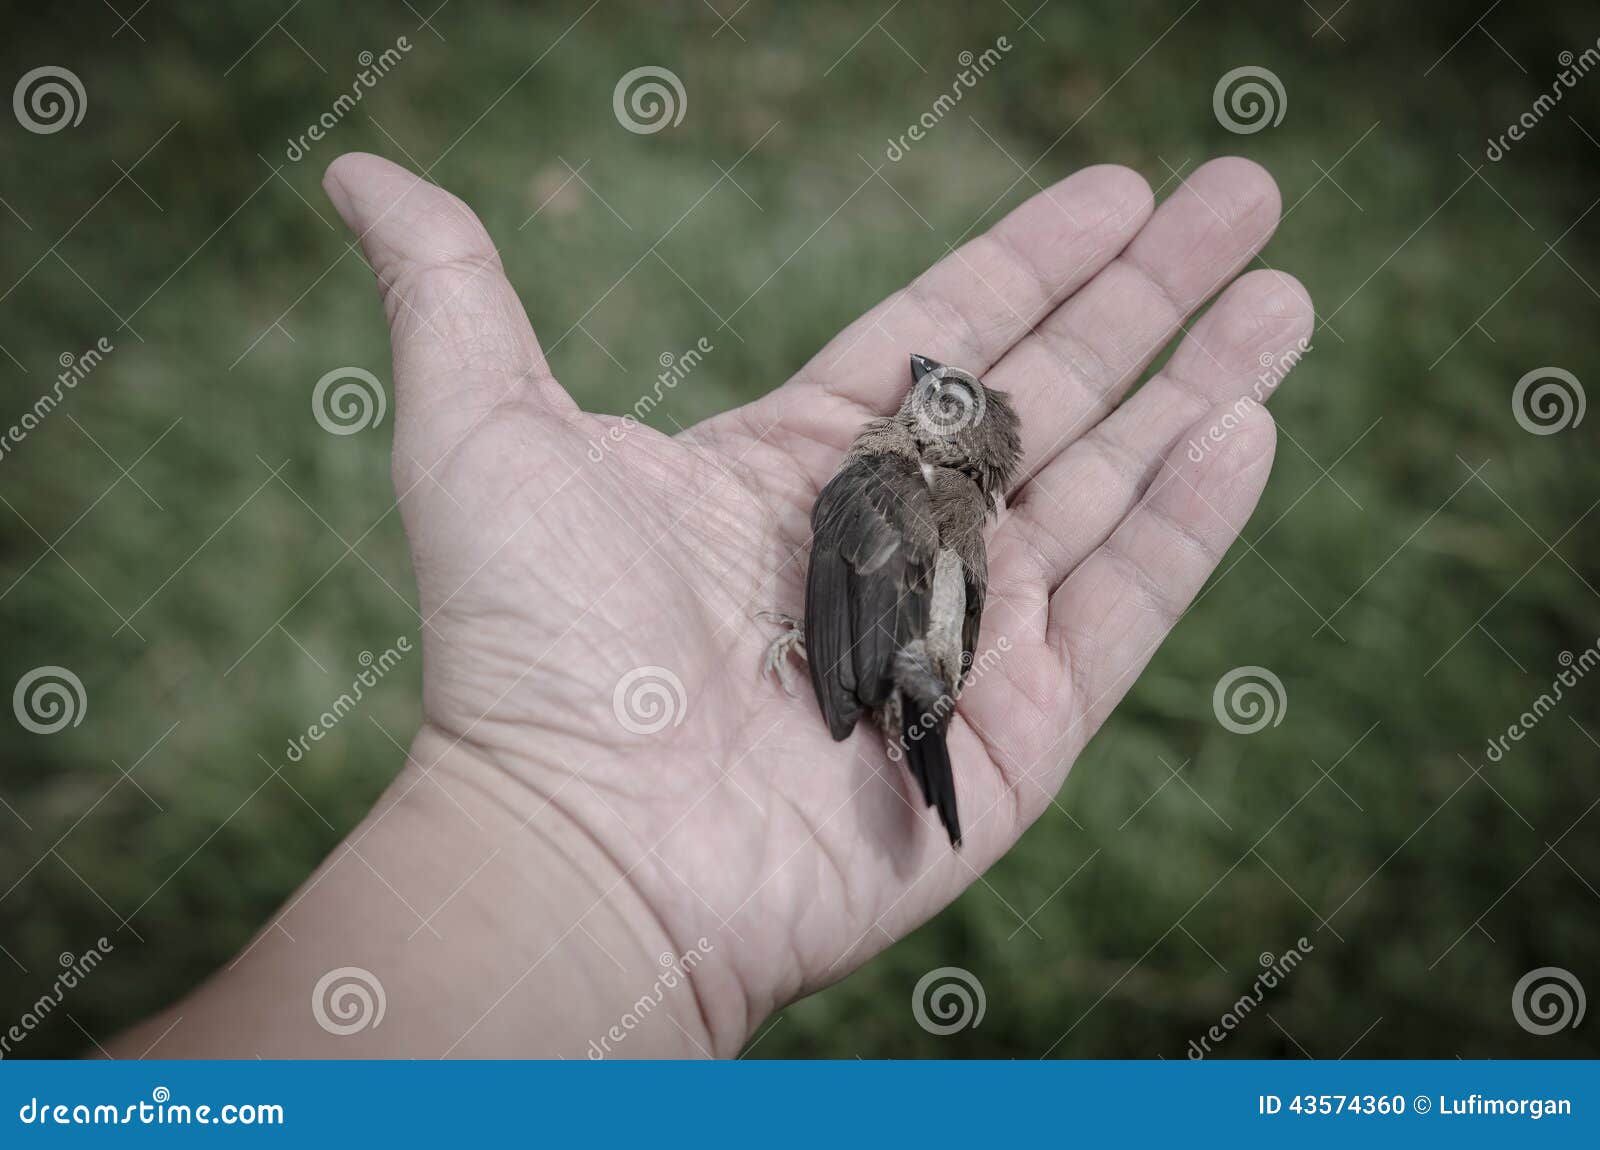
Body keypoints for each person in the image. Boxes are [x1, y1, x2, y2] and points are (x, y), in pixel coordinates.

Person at [108, 151, 1311, 1059]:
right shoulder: (959, 523)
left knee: (902, 682)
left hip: (893, 668)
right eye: (931, 387)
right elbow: (924, 611)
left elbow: (861, 606)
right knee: (914, 699)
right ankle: (919, 731)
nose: (918, 389)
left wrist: (845, 680)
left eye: (940, 401)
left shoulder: (879, 484)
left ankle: (913, 722)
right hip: (915, 681)